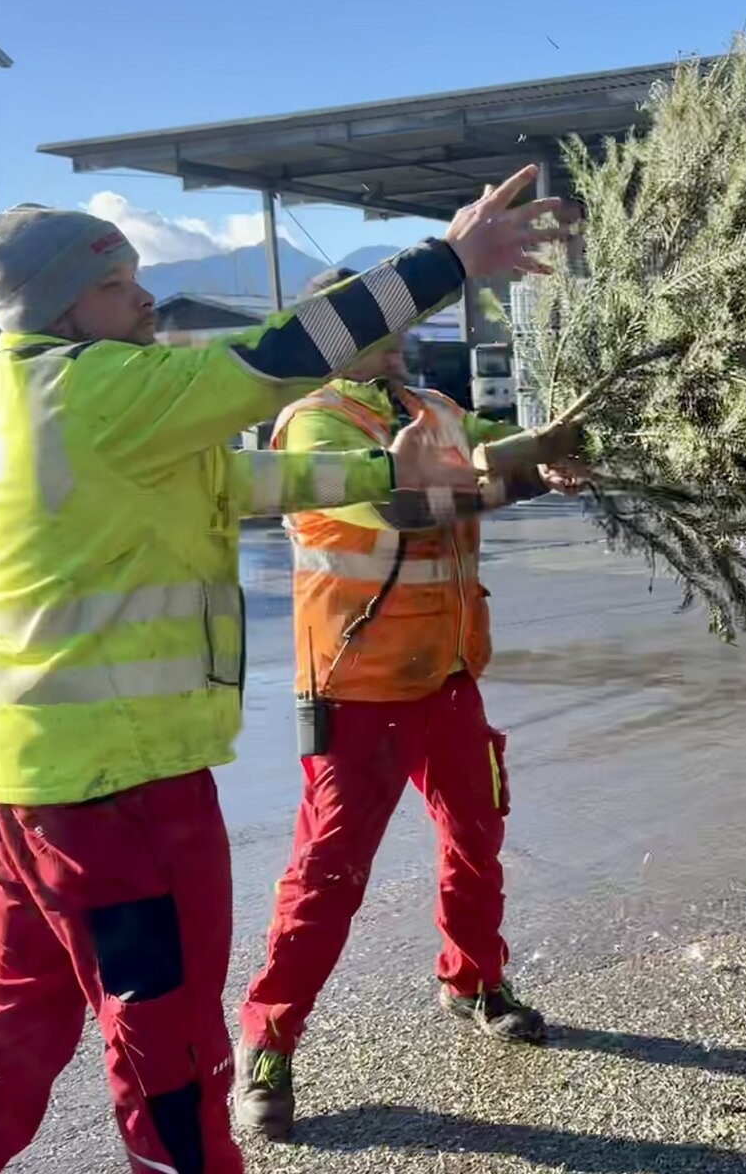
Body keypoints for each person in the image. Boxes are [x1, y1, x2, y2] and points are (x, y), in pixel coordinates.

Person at [0, 167, 570, 1174]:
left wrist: (393, 470)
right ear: (70, 304)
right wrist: (450, 259)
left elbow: (251, 478)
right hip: (122, 786)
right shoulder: (100, 385)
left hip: (32, 782)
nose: (146, 299)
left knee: (16, 1006)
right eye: (121, 286)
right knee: (169, 1046)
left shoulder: (61, 405)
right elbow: (271, 361)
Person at [232, 266, 580, 1140]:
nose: (403, 331)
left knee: (476, 832)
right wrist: (524, 474)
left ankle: (473, 980)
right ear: (335, 334)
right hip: (360, 690)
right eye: (383, 321)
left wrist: (552, 448)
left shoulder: (430, 405)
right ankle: (267, 1040)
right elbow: (402, 503)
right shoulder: (312, 425)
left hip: (448, 674)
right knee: (329, 873)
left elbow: (494, 450)